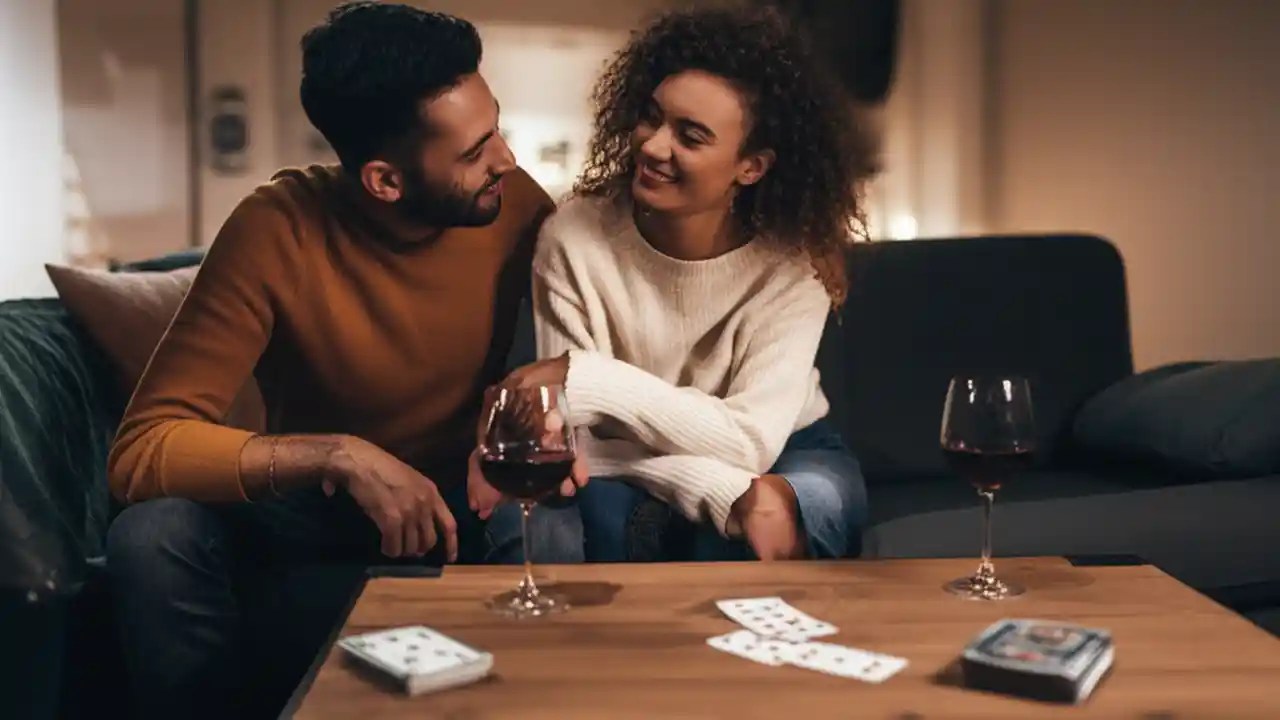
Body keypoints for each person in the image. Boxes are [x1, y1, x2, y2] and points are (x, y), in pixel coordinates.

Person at [103, 4, 583, 717]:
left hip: (466, 504)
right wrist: (338, 456)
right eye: (474, 150)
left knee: (549, 524)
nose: (506, 160)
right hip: (319, 513)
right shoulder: (276, 229)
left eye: (498, 129)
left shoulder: (517, 208)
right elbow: (141, 451)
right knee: (151, 536)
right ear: (385, 181)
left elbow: (576, 359)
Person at [472, 7, 873, 562]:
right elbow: (570, 441)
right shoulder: (575, 236)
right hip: (615, 450)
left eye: (691, 136)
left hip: (783, 445)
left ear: (751, 167)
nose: (654, 147)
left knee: (816, 503)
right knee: (541, 523)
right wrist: (726, 493)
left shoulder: (795, 262)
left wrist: (584, 381)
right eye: (651, 117)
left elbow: (751, 441)